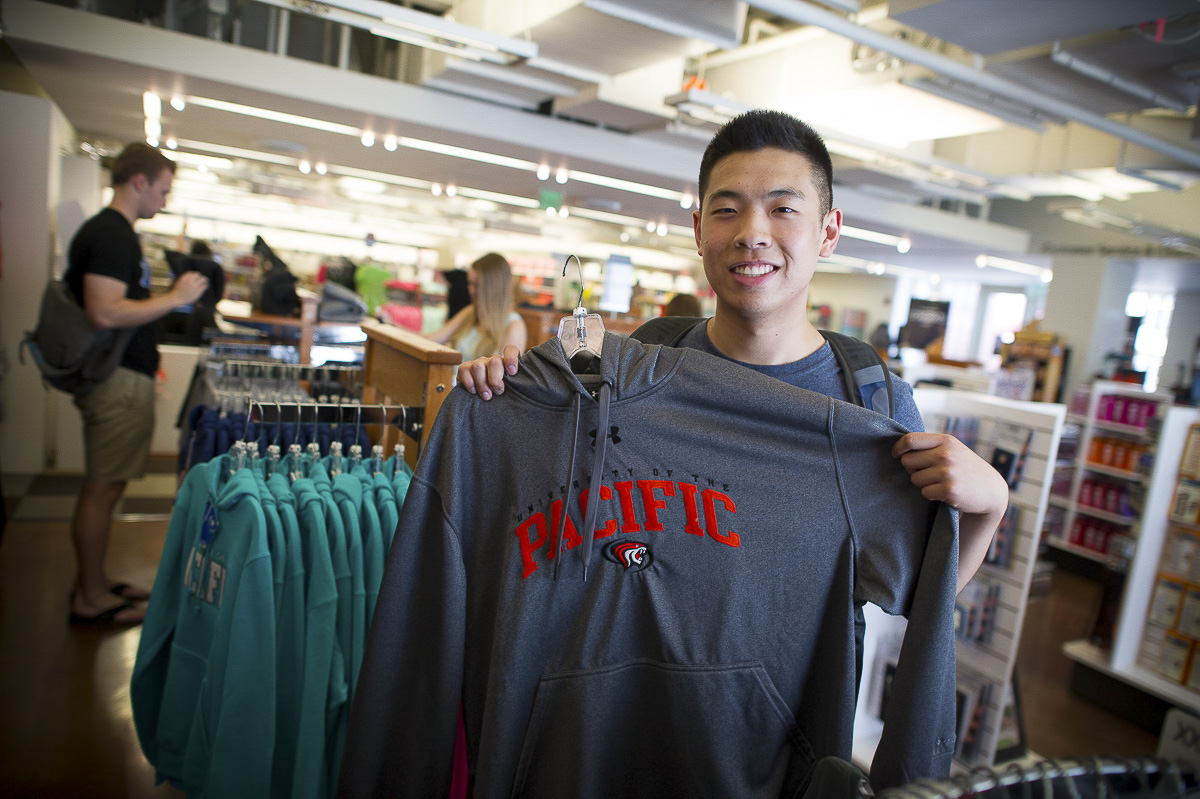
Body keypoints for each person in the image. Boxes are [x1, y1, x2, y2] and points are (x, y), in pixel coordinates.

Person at [456, 110, 1008, 593]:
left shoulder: (874, 408)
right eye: (727, 210)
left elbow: (915, 594)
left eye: (783, 209)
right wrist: (502, 392)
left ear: (829, 232)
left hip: (780, 713)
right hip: (615, 703)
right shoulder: (627, 374)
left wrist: (989, 507)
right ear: (698, 230)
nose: (751, 233)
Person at [64, 142, 209, 626]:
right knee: (103, 489)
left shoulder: (113, 234)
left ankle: (95, 583)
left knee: (107, 487)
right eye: (163, 190)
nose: (165, 201)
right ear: (139, 181)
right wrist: (176, 297)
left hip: (124, 375)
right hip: (115, 381)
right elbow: (104, 311)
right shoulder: (111, 235)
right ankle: (89, 596)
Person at [428, 252, 527, 360]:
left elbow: (505, 374)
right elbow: (433, 338)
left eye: (477, 285)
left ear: (493, 288)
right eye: (470, 283)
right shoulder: (472, 312)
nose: (470, 291)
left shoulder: (514, 326)